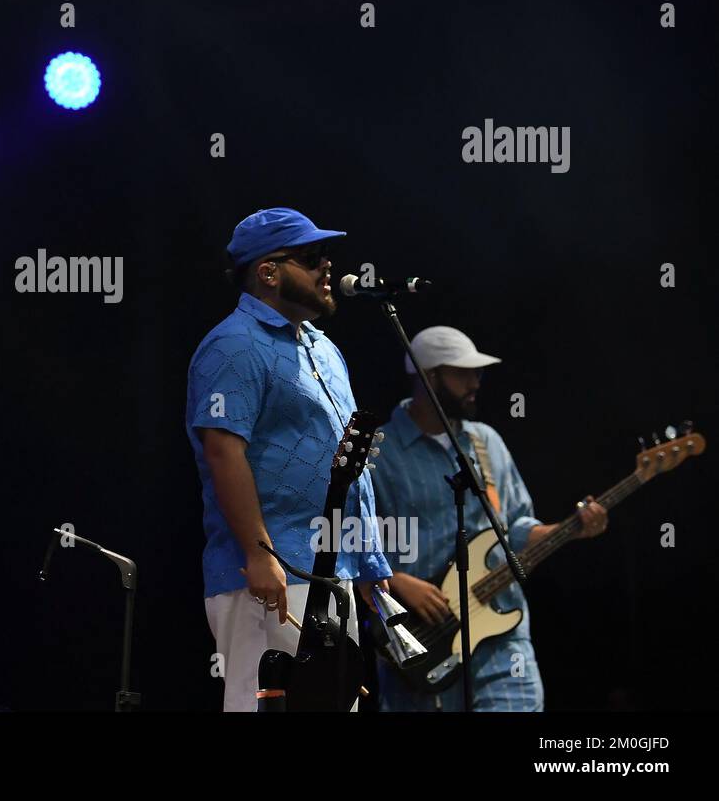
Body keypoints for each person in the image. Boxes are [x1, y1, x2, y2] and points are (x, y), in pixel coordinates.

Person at [186, 207, 391, 712]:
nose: (327, 268)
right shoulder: (232, 345)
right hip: (269, 575)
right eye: (311, 257)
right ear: (268, 272)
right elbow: (222, 450)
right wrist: (259, 553)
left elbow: (349, 468)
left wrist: (367, 562)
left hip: (331, 573)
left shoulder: (324, 350)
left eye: (326, 256)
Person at [371, 325, 607, 711]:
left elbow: (515, 528)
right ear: (428, 377)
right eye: (462, 373)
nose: (475, 382)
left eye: (478, 372)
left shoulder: (486, 442)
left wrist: (572, 529)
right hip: (422, 639)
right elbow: (351, 543)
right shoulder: (380, 453)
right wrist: (394, 580)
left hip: (501, 635)